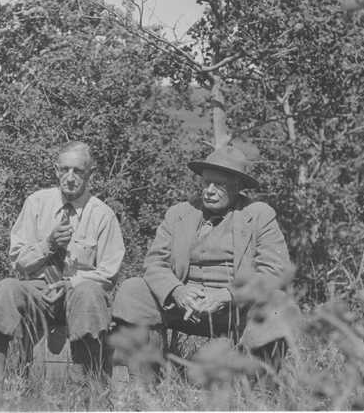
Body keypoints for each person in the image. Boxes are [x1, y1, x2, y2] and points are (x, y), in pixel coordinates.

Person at [111, 144, 299, 379]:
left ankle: (254, 388)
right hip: (182, 306)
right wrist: (177, 291)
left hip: (234, 309)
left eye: (219, 185)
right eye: (206, 183)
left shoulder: (260, 215)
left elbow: (275, 271)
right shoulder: (179, 213)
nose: (209, 191)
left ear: (238, 186)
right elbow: (155, 263)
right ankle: (145, 383)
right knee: (133, 290)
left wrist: (226, 296)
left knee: (279, 306)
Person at [0, 141, 125, 384]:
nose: (69, 178)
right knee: (7, 287)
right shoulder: (37, 203)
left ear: (91, 174)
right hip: (38, 291)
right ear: (56, 170)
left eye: (77, 171)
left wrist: (70, 284)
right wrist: (48, 245)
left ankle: (85, 386)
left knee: (88, 292)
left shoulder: (102, 215)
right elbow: (18, 260)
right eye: (64, 170)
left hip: (78, 294)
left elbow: (109, 274)